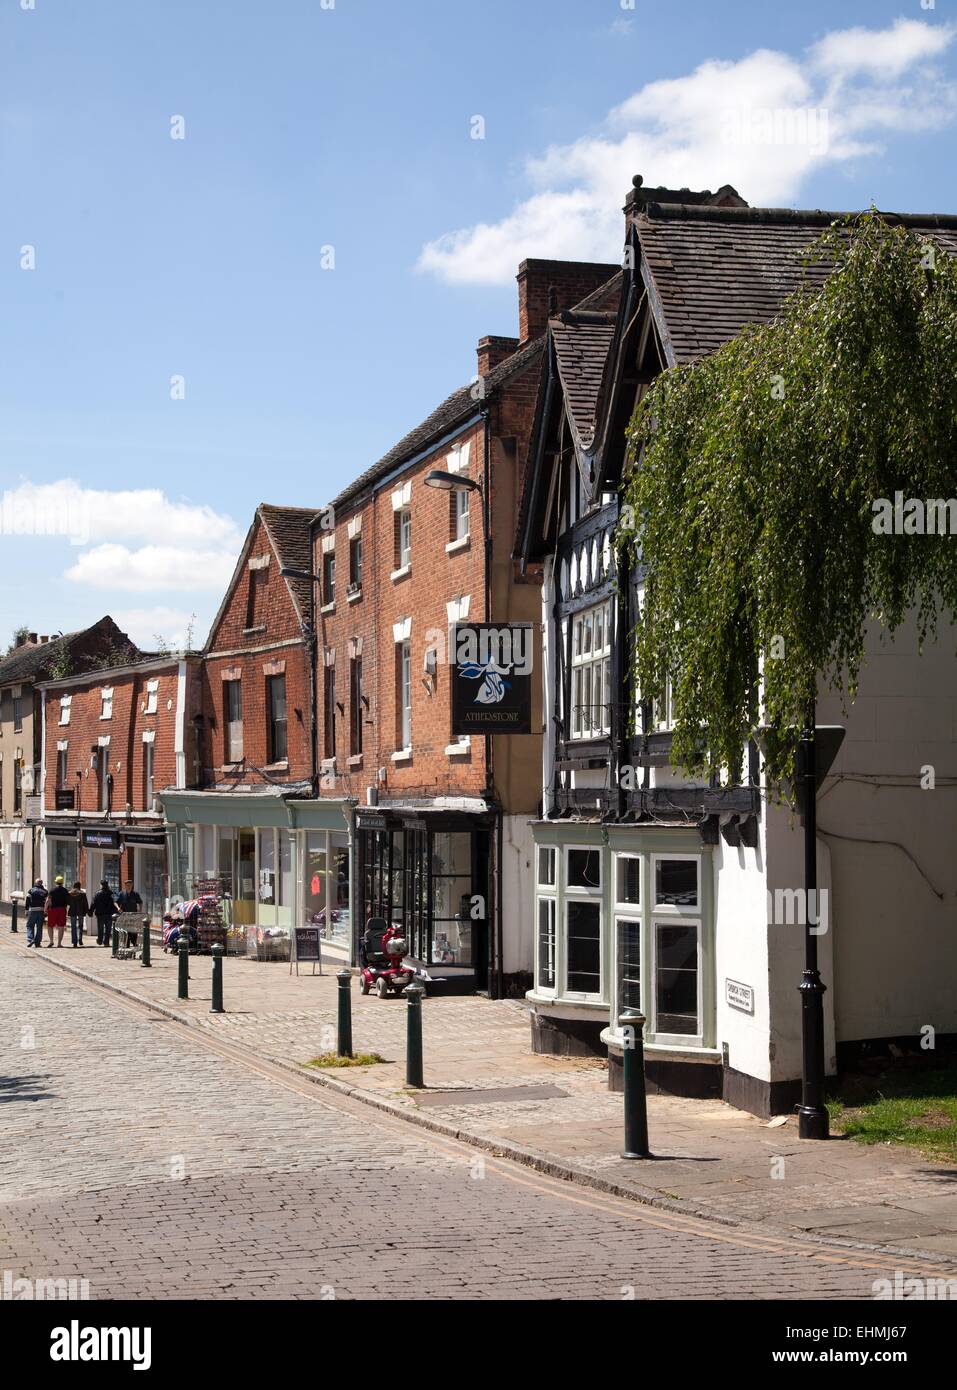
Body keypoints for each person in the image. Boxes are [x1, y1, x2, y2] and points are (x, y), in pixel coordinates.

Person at [115, 880, 143, 949]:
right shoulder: (122, 894)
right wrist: (118, 908)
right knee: (125, 930)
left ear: (132, 885)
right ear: (125, 886)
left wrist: (140, 909)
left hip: (133, 915)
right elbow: (115, 902)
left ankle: (134, 943)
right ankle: (126, 944)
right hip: (124, 915)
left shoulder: (135, 894)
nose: (129, 886)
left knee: (133, 930)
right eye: (127, 885)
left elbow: (140, 902)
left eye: (130, 885)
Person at [45, 876, 71, 947]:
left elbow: (48, 900)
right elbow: (68, 901)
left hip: (52, 910)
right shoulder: (65, 890)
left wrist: (45, 909)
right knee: (61, 927)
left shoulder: (52, 890)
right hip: (62, 909)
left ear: (56, 882)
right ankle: (59, 943)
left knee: (50, 926)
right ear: (62, 882)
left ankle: (51, 941)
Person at [91, 879, 117, 947]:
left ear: (101, 885)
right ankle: (106, 942)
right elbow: (114, 902)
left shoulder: (97, 893)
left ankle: (100, 940)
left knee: (100, 928)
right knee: (108, 929)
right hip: (109, 914)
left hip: (100, 914)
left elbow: (93, 903)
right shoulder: (111, 893)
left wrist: (91, 911)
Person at [24, 879, 47, 948]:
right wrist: (46, 911)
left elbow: (27, 900)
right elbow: (47, 902)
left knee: (30, 925)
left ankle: (31, 939)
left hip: (32, 910)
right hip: (41, 910)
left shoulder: (31, 890)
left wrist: (26, 909)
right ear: (42, 883)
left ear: (35, 883)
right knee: (39, 926)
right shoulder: (45, 892)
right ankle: (37, 942)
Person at [68, 881, 90, 947]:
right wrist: (88, 911)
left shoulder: (70, 893)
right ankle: (80, 939)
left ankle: (74, 942)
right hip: (81, 911)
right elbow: (85, 904)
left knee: (73, 926)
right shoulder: (82, 894)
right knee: (80, 926)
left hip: (72, 911)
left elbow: (68, 902)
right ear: (79, 886)